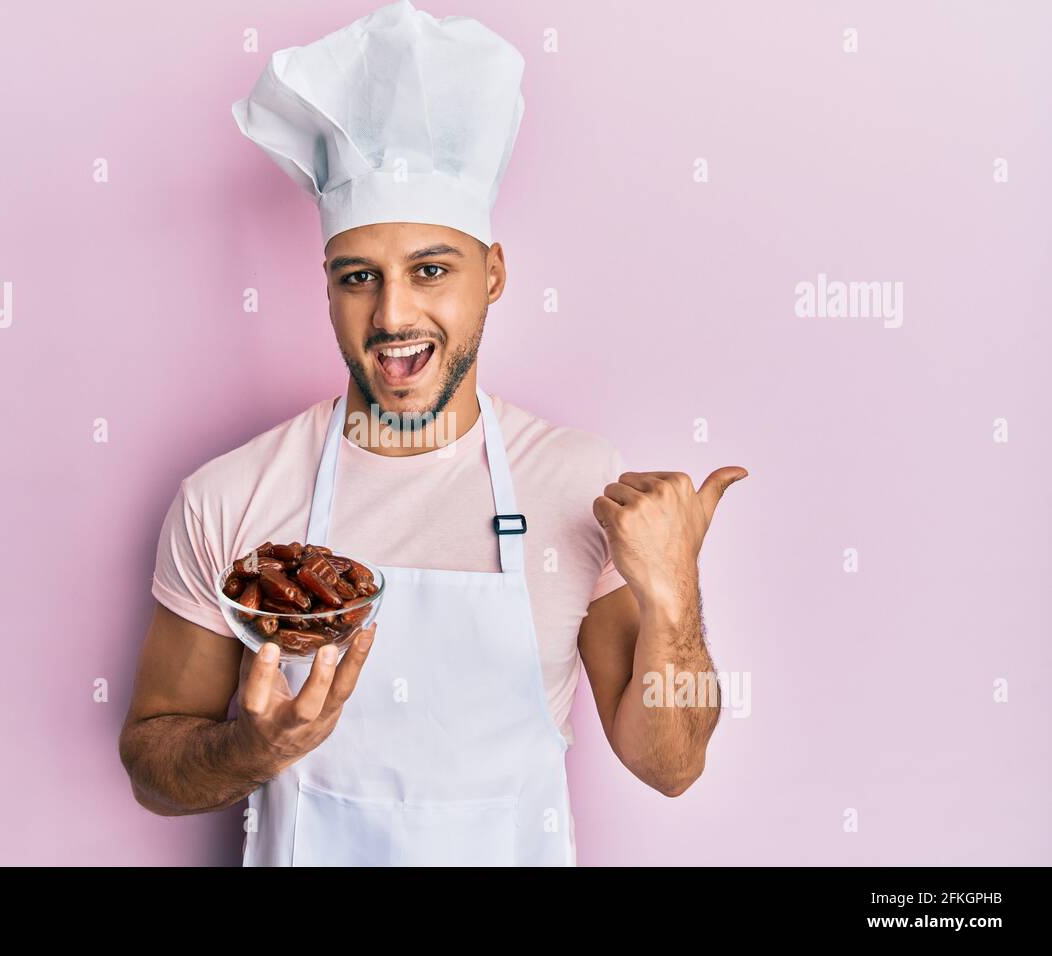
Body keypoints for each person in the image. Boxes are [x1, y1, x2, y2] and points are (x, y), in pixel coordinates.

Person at [118, 0, 747, 866]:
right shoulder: (231, 497)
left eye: (431, 270)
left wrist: (675, 591)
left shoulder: (577, 482)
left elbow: (669, 764)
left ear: (492, 275)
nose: (393, 315)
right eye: (358, 276)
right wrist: (255, 749)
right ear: (327, 283)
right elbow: (153, 768)